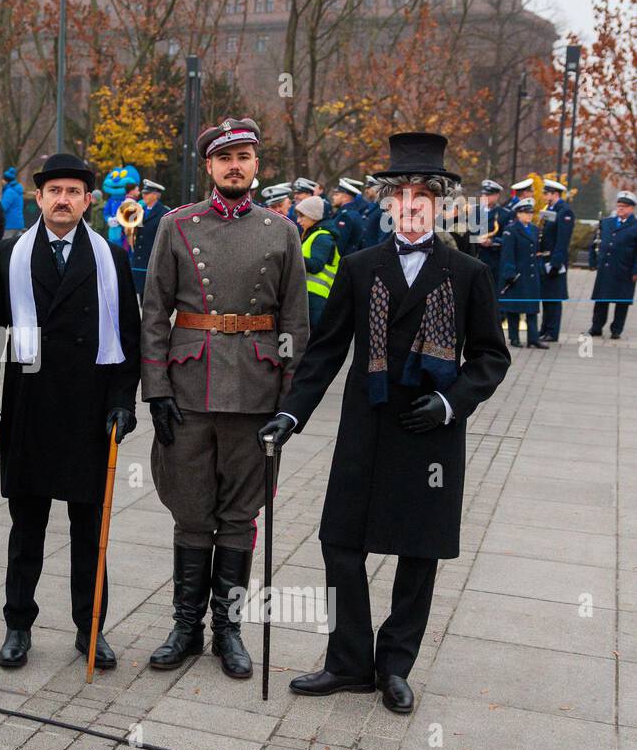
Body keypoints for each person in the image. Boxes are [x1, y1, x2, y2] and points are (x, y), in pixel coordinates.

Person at [259, 131, 510, 715]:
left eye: (424, 196)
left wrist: (452, 402)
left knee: (417, 555)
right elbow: (325, 351)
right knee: (340, 545)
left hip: (431, 434)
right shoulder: (360, 266)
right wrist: (289, 415)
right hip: (366, 427)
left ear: (441, 204)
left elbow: (491, 356)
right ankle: (349, 662)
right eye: (402, 196)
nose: (412, 206)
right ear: (388, 204)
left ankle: (395, 666)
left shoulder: (468, 273)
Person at [140, 117, 309, 676]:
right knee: (191, 513)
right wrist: (156, 389)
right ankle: (185, 627)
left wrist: (289, 403)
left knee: (240, 515)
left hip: (256, 391)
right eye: (224, 157)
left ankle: (228, 631)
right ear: (209, 167)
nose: (235, 165)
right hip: (189, 388)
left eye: (244, 155)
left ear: (257, 165)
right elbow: (155, 312)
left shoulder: (281, 231)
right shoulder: (177, 225)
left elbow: (294, 321)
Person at [0, 153, 141, 671]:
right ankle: (17, 626)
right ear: (40, 198)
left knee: (88, 530)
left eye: (74, 192)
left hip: (89, 411)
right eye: (55, 192)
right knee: (25, 528)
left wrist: (122, 401)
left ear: (88, 200)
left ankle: (90, 627)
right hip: (28, 407)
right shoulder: (8, 255)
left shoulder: (110, 258)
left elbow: (129, 336)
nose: (64, 200)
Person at [499, 198, 548, 349]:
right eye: (525, 213)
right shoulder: (511, 230)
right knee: (514, 309)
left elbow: (536, 251)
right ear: (518, 214)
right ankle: (514, 338)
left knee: (532, 309)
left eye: (530, 212)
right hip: (518, 275)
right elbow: (508, 254)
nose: (529, 215)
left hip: (531, 274)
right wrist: (509, 274)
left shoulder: (533, 229)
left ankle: (533, 338)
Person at [588, 190, 637, 339]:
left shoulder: (635, 226)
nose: (620, 209)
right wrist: (593, 261)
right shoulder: (606, 222)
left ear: (632, 208)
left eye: (625, 206)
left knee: (621, 302)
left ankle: (616, 329)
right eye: (619, 205)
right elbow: (595, 242)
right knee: (601, 299)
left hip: (625, 269)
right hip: (606, 268)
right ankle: (596, 327)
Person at [294, 194, 339, 329]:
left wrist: (292, 256)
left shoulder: (322, 237)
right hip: (310, 295)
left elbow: (315, 265)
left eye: (302, 216)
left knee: (313, 337)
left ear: (314, 216)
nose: (298, 220)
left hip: (316, 297)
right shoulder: (314, 234)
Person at [538, 179, 574, 341]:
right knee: (546, 297)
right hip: (544, 258)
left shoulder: (564, 211)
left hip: (554, 260)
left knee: (554, 297)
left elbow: (562, 241)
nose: (544, 196)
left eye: (547, 193)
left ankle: (552, 332)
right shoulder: (550, 209)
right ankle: (544, 328)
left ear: (555, 194)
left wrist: (555, 263)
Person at [131, 178, 170, 298]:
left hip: (152, 258)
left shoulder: (164, 212)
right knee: (141, 296)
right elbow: (132, 229)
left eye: (146, 193)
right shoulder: (140, 210)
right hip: (140, 259)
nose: (143, 195)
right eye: (143, 193)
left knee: (152, 297)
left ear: (155, 195)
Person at [327, 177, 366, 257]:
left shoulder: (345, 216)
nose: (333, 197)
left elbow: (339, 244)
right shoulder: (351, 213)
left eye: (337, 195)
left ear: (345, 197)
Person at [1, 167, 26, 236]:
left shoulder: (9, 192)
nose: (1, 181)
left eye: (2, 179)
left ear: (6, 181)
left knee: (5, 245)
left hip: (10, 225)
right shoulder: (17, 190)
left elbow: (2, 208)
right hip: (19, 224)